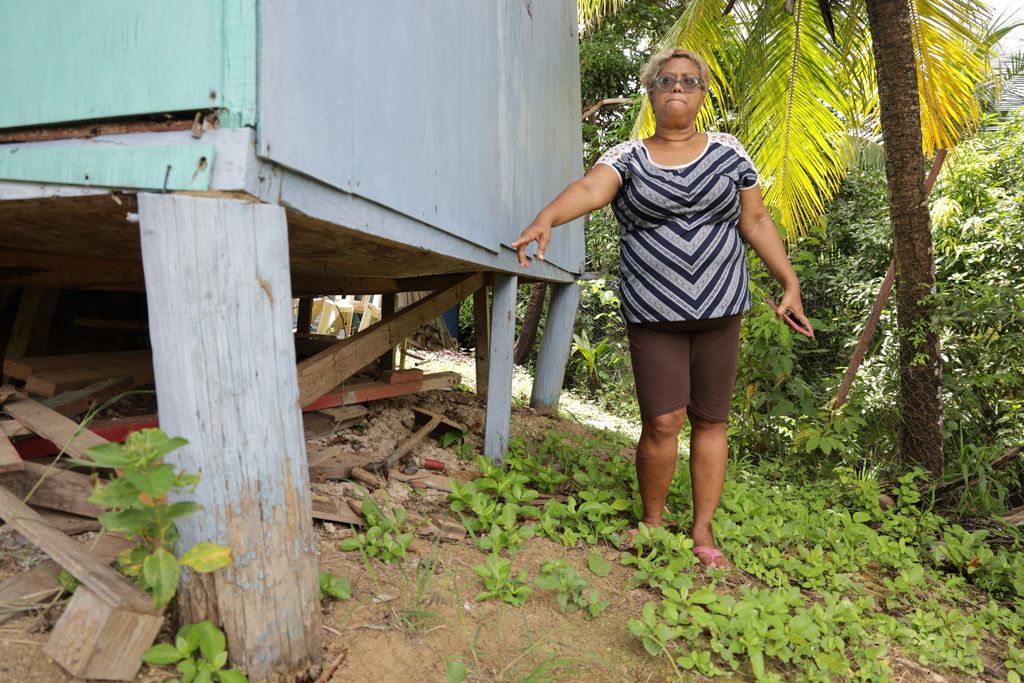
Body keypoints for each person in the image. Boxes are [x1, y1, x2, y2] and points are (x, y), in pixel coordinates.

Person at [511, 48, 812, 568]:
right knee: (663, 421)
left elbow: (756, 220)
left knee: (711, 420)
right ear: (651, 93)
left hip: (721, 308)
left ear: (702, 94)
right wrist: (547, 217)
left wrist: (790, 282)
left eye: (689, 81)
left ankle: (702, 531)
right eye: (666, 80)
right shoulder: (626, 157)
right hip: (654, 311)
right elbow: (591, 188)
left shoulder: (729, 151)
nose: (677, 87)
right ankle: (652, 522)